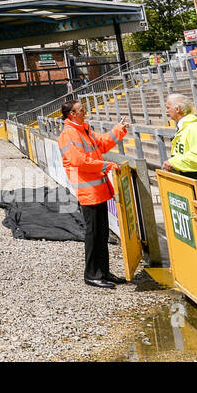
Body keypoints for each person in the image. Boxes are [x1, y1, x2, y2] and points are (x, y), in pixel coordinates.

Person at [58, 97, 129, 288]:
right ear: (72, 114)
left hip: (98, 190)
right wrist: (106, 165)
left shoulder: (84, 129)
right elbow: (79, 161)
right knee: (93, 234)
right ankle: (92, 274)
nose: (84, 112)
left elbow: (102, 144)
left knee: (101, 234)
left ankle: (103, 272)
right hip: (88, 192)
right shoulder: (68, 134)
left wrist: (118, 130)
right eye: (81, 110)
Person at [162, 93, 197, 196]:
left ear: (178, 109)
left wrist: (174, 162)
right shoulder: (184, 127)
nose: (166, 111)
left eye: (168, 107)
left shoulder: (193, 129)